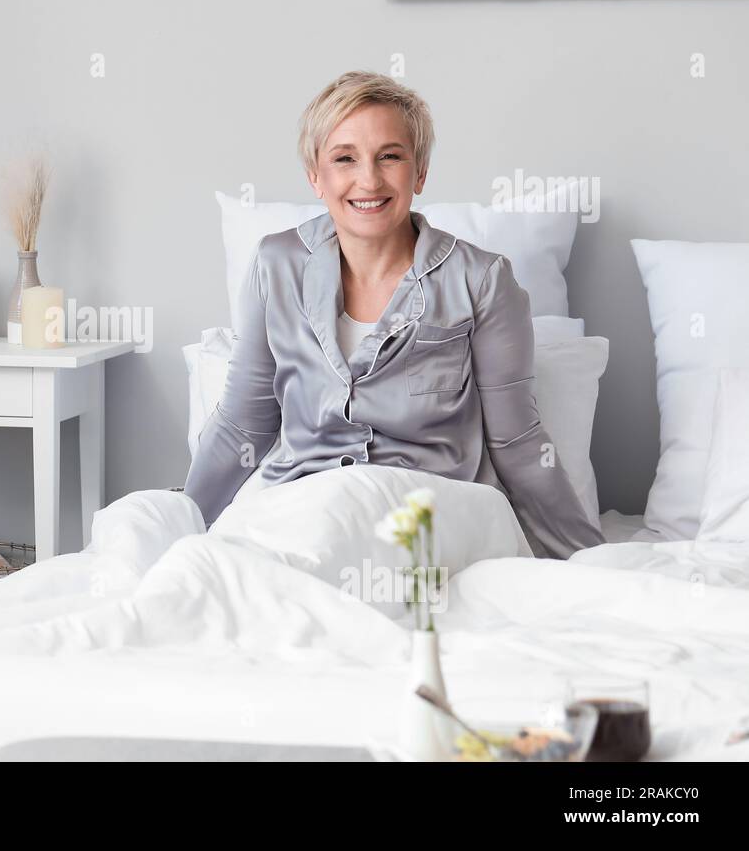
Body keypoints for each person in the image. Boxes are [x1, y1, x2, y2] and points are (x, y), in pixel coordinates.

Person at [183, 70, 602, 559]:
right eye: (345, 158)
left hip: (427, 518)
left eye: (391, 156)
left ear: (419, 171)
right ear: (315, 176)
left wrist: (587, 559)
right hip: (305, 513)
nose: (369, 180)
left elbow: (517, 442)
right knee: (218, 582)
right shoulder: (275, 266)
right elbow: (243, 424)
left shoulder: (482, 280)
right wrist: (183, 523)